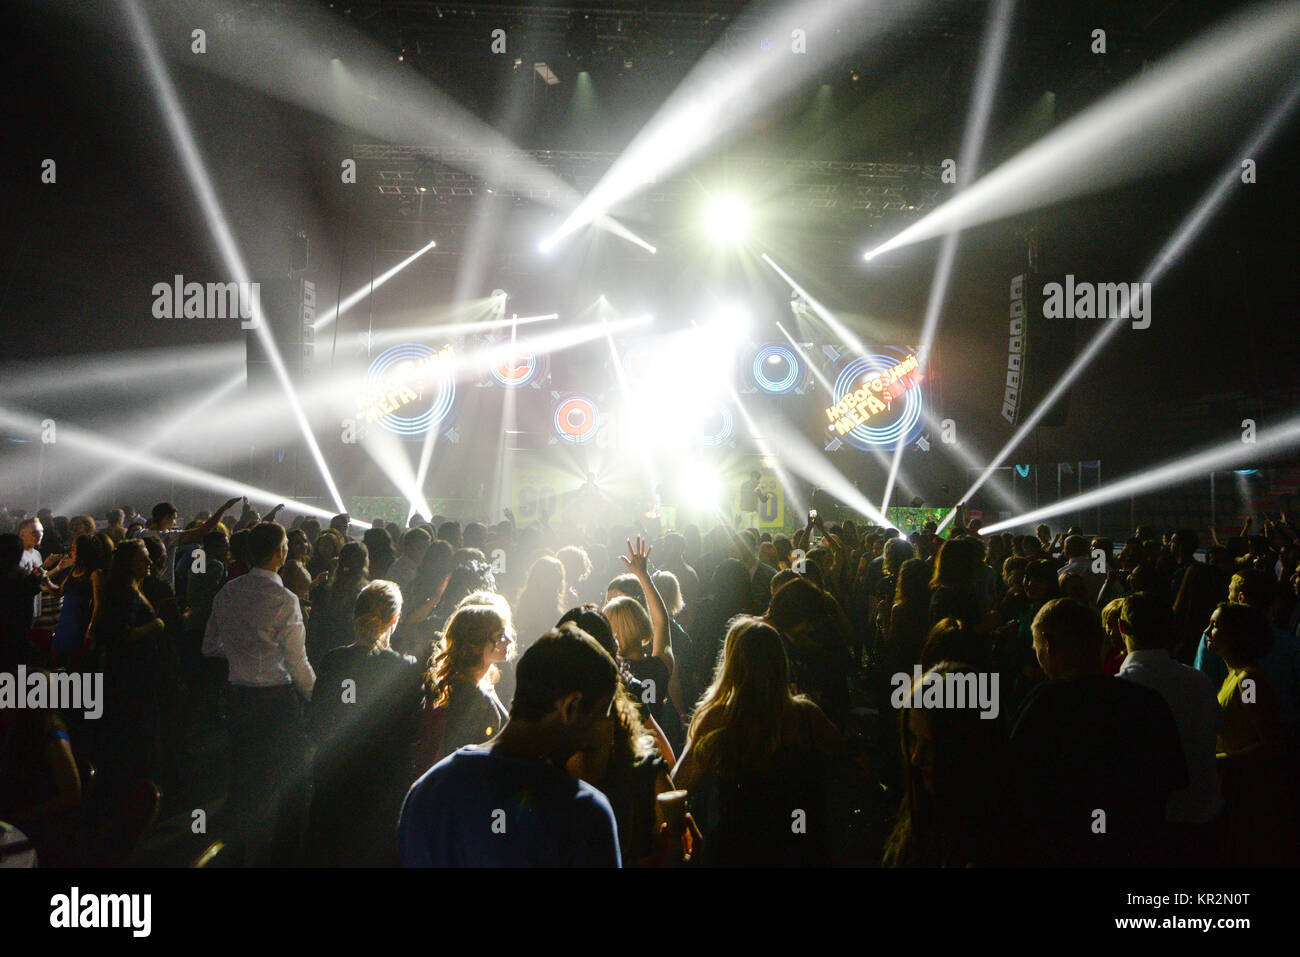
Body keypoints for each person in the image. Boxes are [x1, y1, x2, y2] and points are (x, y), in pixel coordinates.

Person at [398, 624, 622, 867]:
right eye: (599, 716)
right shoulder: (584, 813)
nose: (595, 735)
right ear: (571, 706)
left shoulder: (429, 789)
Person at [1010, 598, 1187, 866]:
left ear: (1048, 643)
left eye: (1036, 646)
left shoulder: (1046, 704)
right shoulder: (1147, 701)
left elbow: (1016, 784)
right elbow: (1174, 779)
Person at [673, 617, 842, 866]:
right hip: (798, 847)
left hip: (736, 849)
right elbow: (842, 764)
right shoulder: (807, 715)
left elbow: (679, 783)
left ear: (732, 664)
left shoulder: (719, 718)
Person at [202, 522, 315, 866]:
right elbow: (298, 664)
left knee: (243, 783)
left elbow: (209, 647)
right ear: (281, 552)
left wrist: (241, 651)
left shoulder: (227, 592)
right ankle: (284, 858)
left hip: (240, 700)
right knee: (292, 783)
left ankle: (234, 855)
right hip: (278, 703)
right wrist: (317, 695)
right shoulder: (284, 599)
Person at [306, 581, 423, 866]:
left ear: (354, 617)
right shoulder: (405, 668)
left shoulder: (334, 660)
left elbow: (315, 723)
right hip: (380, 781)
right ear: (394, 621)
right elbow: (411, 732)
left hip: (334, 774)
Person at [1116, 592, 1225, 866]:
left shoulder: (1118, 689)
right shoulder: (1199, 682)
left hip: (1148, 825)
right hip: (1204, 815)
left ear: (1122, 628)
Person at [883, 663, 1011, 867]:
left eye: (933, 744)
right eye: (912, 738)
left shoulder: (1006, 839)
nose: (916, 757)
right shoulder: (922, 806)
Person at [1205, 602, 1297, 865]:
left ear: (1236, 635)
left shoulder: (1248, 682)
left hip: (1252, 793)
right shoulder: (1234, 676)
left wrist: (1222, 760)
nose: (1206, 631)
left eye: (1215, 626)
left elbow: (1270, 742)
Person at [420, 603, 513, 763]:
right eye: (500, 637)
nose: (509, 641)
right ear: (477, 644)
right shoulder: (469, 695)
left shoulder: (480, 684)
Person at [305, 541, 369, 670]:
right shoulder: (365, 594)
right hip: (348, 658)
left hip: (322, 654)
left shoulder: (324, 590)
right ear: (364, 563)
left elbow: (313, 627)